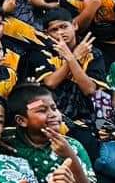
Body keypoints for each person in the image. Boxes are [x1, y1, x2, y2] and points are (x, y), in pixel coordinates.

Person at [31, 10, 108, 167]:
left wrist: (72, 59)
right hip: (53, 118)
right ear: (46, 33)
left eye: (64, 27)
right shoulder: (41, 52)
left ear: (74, 25)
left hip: (86, 120)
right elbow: (50, 83)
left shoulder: (93, 53)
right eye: (54, 30)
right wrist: (74, 58)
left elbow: (90, 90)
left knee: (110, 164)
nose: (60, 33)